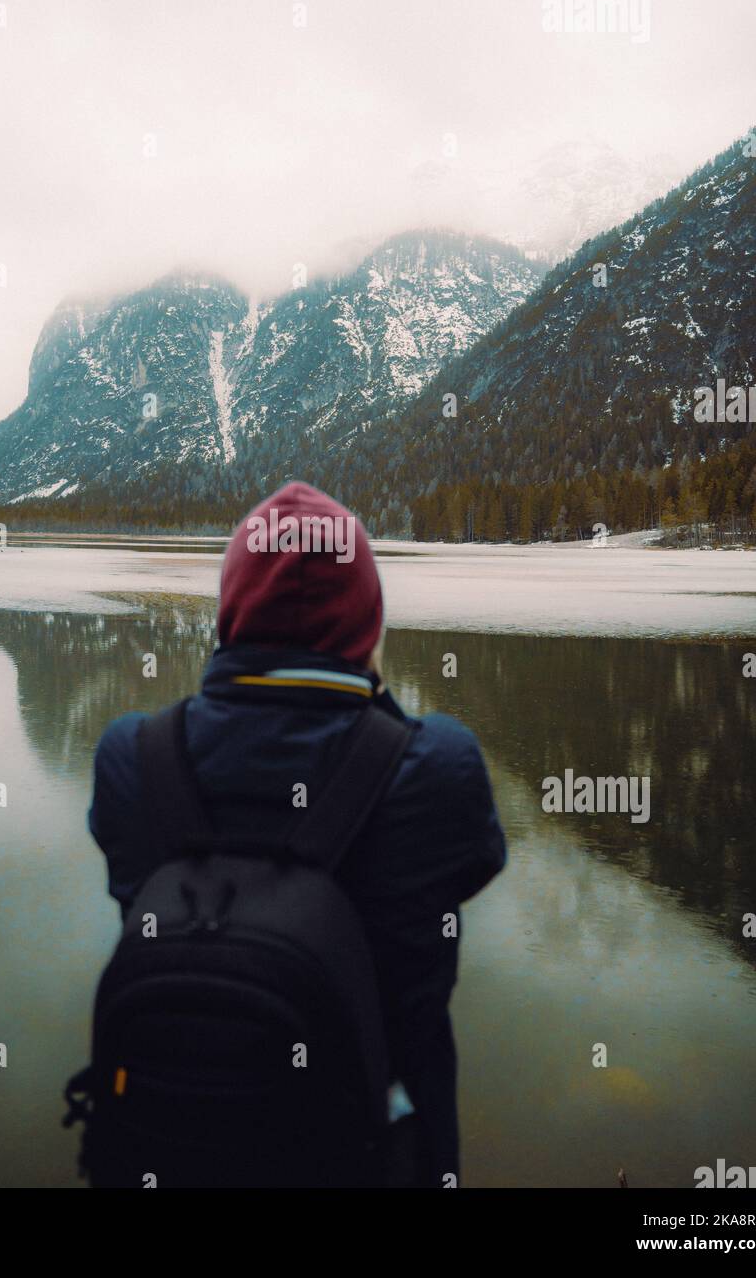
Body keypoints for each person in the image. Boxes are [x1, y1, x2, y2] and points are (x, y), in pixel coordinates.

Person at [87, 480, 505, 1186]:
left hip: (170, 1155)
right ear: (368, 628)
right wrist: (373, 692)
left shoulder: (135, 758)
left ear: (229, 618)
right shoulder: (437, 768)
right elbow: (472, 856)